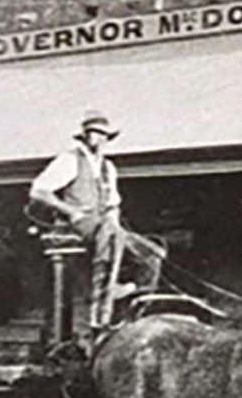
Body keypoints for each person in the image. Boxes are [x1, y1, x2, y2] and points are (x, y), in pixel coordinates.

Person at [27, 110, 166, 330]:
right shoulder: (69, 160)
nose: (98, 139)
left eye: (103, 135)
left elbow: (112, 204)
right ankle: (100, 309)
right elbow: (39, 192)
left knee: (152, 252)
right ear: (84, 135)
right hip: (77, 222)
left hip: (104, 224)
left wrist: (116, 224)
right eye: (94, 133)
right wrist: (70, 210)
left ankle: (135, 304)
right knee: (108, 235)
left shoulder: (108, 168)